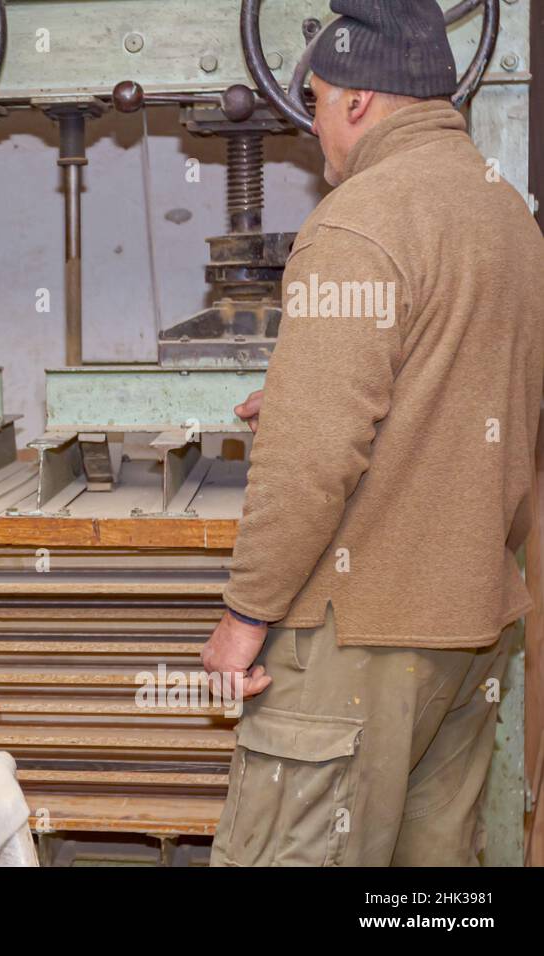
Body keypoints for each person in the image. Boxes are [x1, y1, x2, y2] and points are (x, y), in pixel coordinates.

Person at [203, 0, 544, 865]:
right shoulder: (508, 214)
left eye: (314, 100)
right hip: (468, 632)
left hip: (353, 644)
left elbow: (312, 460)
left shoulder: (359, 221)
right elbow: (465, 389)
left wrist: (243, 619)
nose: (313, 127)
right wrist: (306, 394)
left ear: (356, 100)